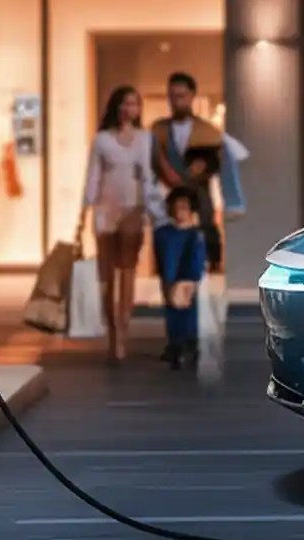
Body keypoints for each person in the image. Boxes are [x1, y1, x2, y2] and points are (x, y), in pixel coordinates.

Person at [79, 85, 169, 362]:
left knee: (128, 271)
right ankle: (112, 331)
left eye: (135, 104)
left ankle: (123, 331)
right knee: (106, 276)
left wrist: (155, 211)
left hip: (133, 209)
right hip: (106, 211)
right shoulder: (102, 140)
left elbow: (148, 177)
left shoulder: (145, 139)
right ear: (116, 107)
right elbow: (93, 177)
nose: (130, 109)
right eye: (125, 103)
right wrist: (82, 215)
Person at [150, 71, 248, 275]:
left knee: (205, 241)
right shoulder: (157, 130)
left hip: (200, 196)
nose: (176, 102)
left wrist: (232, 201)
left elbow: (226, 167)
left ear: (192, 96)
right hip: (167, 195)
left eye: (181, 96)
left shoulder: (208, 132)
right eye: (172, 97)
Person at [154, 186, 207, 370]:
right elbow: (160, 256)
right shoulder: (162, 233)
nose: (180, 211)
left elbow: (197, 258)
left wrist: (192, 278)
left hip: (186, 278)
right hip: (169, 277)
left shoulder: (195, 235)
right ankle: (175, 343)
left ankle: (189, 343)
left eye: (184, 207)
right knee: (172, 311)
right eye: (177, 207)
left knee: (187, 311)